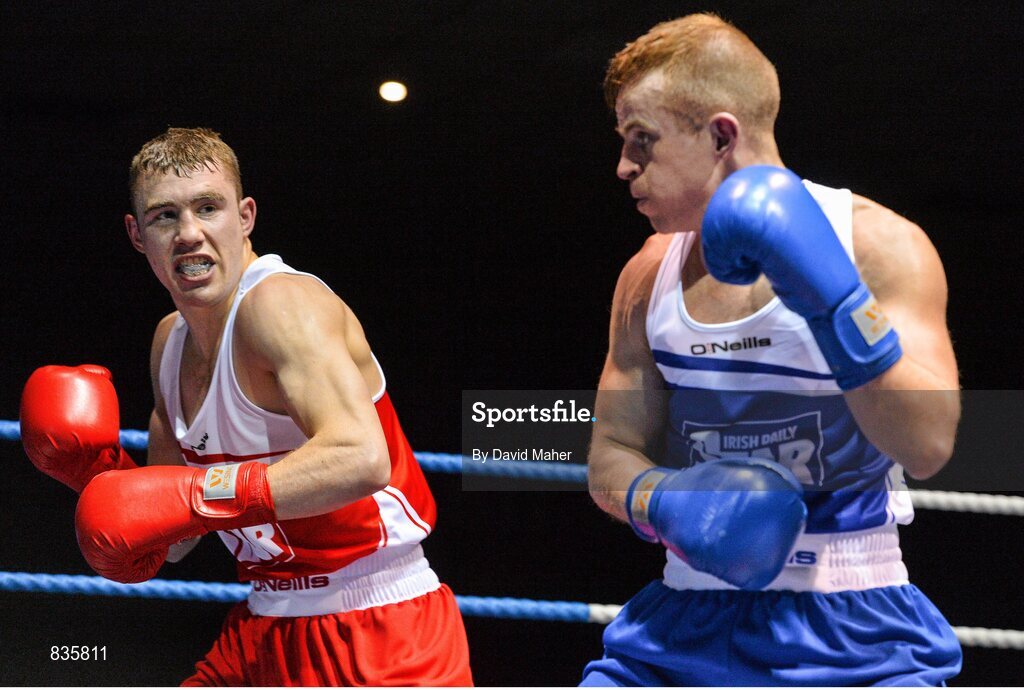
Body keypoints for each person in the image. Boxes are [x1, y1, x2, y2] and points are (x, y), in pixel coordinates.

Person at [584, 14, 962, 686]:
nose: (623, 167)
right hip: (680, 621)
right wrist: (660, 498)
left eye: (643, 141)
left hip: (853, 621)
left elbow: (928, 444)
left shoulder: (874, 247)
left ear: (722, 133)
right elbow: (610, 453)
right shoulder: (647, 274)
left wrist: (831, 302)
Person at [20, 127, 472, 686]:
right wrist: (92, 473)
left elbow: (362, 457)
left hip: (379, 626)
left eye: (208, 208)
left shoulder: (282, 306)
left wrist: (198, 492)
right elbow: (178, 536)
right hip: (262, 626)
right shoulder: (170, 343)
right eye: (165, 217)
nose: (189, 234)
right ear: (137, 235)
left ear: (245, 217)